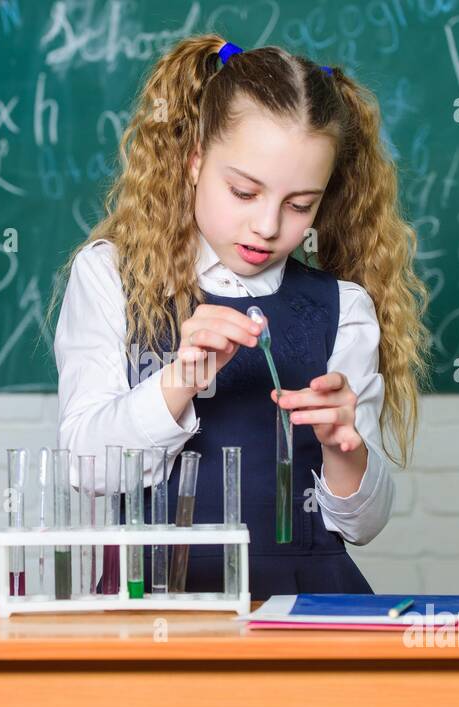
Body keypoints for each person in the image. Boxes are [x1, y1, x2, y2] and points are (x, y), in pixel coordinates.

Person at [52, 36, 432, 599]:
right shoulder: (110, 276)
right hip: (156, 601)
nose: (268, 225)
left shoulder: (344, 308)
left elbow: (364, 524)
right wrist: (178, 381)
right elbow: (86, 469)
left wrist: (343, 446)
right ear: (194, 161)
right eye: (244, 191)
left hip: (310, 605)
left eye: (300, 204)